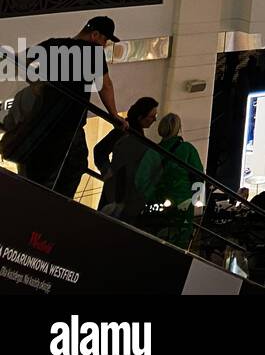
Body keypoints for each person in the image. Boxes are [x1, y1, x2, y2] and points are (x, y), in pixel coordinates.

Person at [7, 15, 123, 197]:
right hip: (70, 123)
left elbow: (22, 59)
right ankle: (55, 206)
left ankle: (31, 203)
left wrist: (35, 82)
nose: (105, 45)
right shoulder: (92, 53)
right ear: (95, 35)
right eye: (105, 39)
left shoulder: (54, 44)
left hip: (42, 118)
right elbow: (105, 85)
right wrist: (114, 115)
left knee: (40, 167)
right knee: (73, 166)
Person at [134, 112, 204, 249]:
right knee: (180, 245)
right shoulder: (187, 149)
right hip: (183, 206)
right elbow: (199, 176)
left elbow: (140, 180)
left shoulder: (152, 151)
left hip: (157, 205)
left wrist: (151, 197)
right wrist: (197, 202)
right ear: (178, 129)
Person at [94, 95, 158, 222]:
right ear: (141, 117)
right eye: (152, 116)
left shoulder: (131, 132)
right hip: (120, 189)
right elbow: (100, 150)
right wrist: (108, 173)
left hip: (121, 189)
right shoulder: (125, 131)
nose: (154, 120)